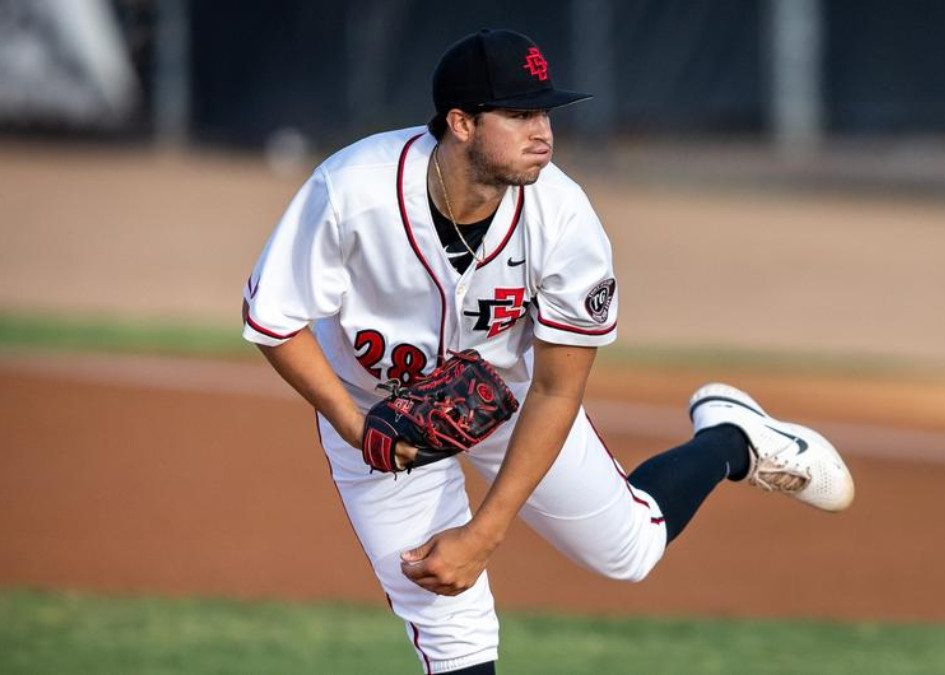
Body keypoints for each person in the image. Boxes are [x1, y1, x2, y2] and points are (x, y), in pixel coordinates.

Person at [243, 28, 854, 675]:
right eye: (521, 114)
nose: (544, 132)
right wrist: (353, 422)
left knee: (631, 551)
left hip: (509, 399)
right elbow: (274, 320)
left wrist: (484, 531)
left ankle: (733, 439)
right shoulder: (351, 191)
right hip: (376, 413)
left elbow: (559, 388)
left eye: (546, 112)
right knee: (447, 618)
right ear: (462, 123)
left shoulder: (563, 220)